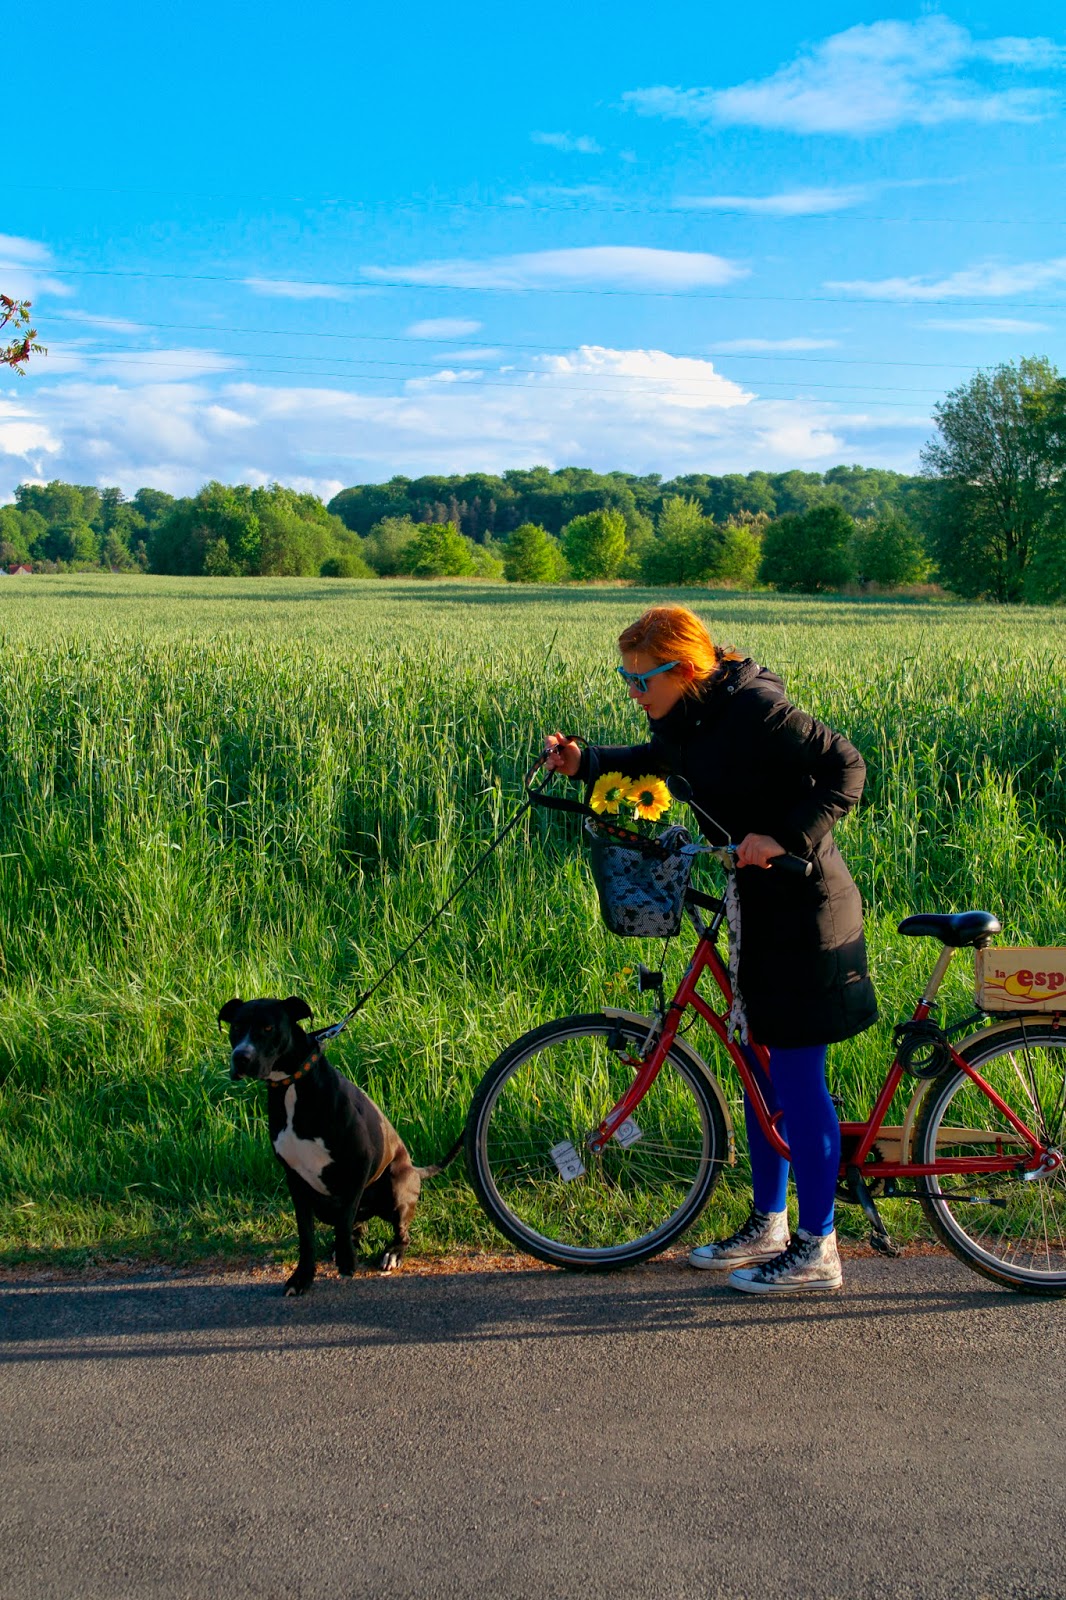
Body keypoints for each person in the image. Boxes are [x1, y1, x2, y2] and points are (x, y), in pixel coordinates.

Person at [545, 604, 877, 1294]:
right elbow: (659, 762)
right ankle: (770, 1223)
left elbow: (846, 769)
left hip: (806, 910)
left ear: (687, 669)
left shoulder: (755, 708)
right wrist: (587, 763)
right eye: (625, 680)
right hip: (754, 908)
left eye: (642, 681)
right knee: (759, 1070)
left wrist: (784, 837)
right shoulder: (688, 715)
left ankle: (820, 1248)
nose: (632, 694)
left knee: (794, 1079)